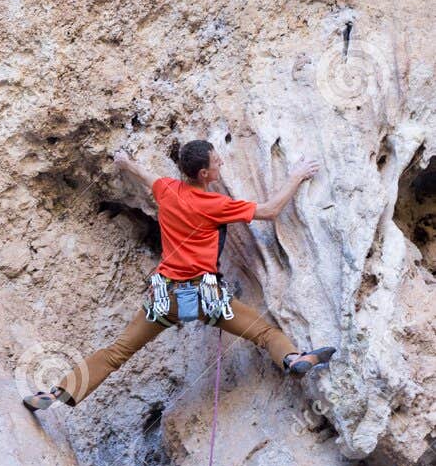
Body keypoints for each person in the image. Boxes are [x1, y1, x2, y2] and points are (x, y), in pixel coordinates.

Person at [23, 138, 336, 412]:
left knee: (117, 352)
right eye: (216, 162)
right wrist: (295, 177)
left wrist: (125, 162)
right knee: (265, 334)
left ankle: (56, 392)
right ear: (204, 174)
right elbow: (269, 210)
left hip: (166, 299)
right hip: (205, 299)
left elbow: (148, 177)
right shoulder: (215, 204)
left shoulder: (168, 191)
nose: (221, 163)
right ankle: (293, 360)